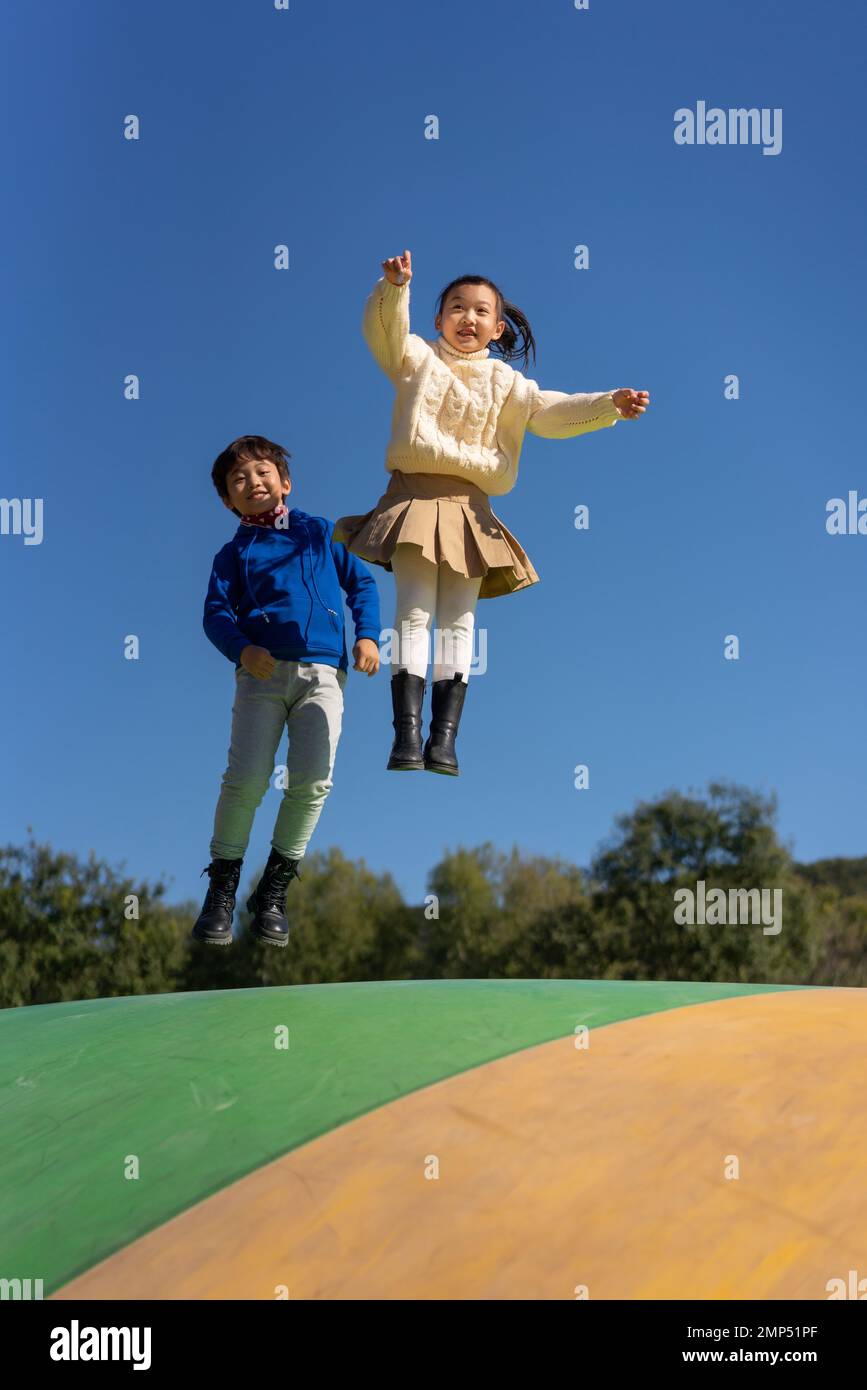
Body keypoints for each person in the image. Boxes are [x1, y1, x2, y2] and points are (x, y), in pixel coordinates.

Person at [333, 249, 650, 776]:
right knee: (413, 609)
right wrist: (392, 289)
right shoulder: (416, 357)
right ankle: (406, 737)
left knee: (459, 621)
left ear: (498, 328)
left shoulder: (509, 384)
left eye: (481, 311)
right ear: (437, 320)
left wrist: (607, 405)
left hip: (472, 511)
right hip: (415, 498)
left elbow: (551, 413)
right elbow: (383, 333)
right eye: (457, 308)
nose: (468, 318)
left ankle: (444, 740)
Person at [192, 435, 381, 948]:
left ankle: (272, 892)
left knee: (313, 782)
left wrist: (366, 633)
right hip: (261, 676)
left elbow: (360, 584)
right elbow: (214, 614)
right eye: (238, 480)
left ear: (284, 482)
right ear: (228, 501)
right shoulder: (232, 555)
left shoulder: (319, 533)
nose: (252, 482)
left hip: (324, 673)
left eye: (261, 472)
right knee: (246, 780)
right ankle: (223, 890)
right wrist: (241, 649)